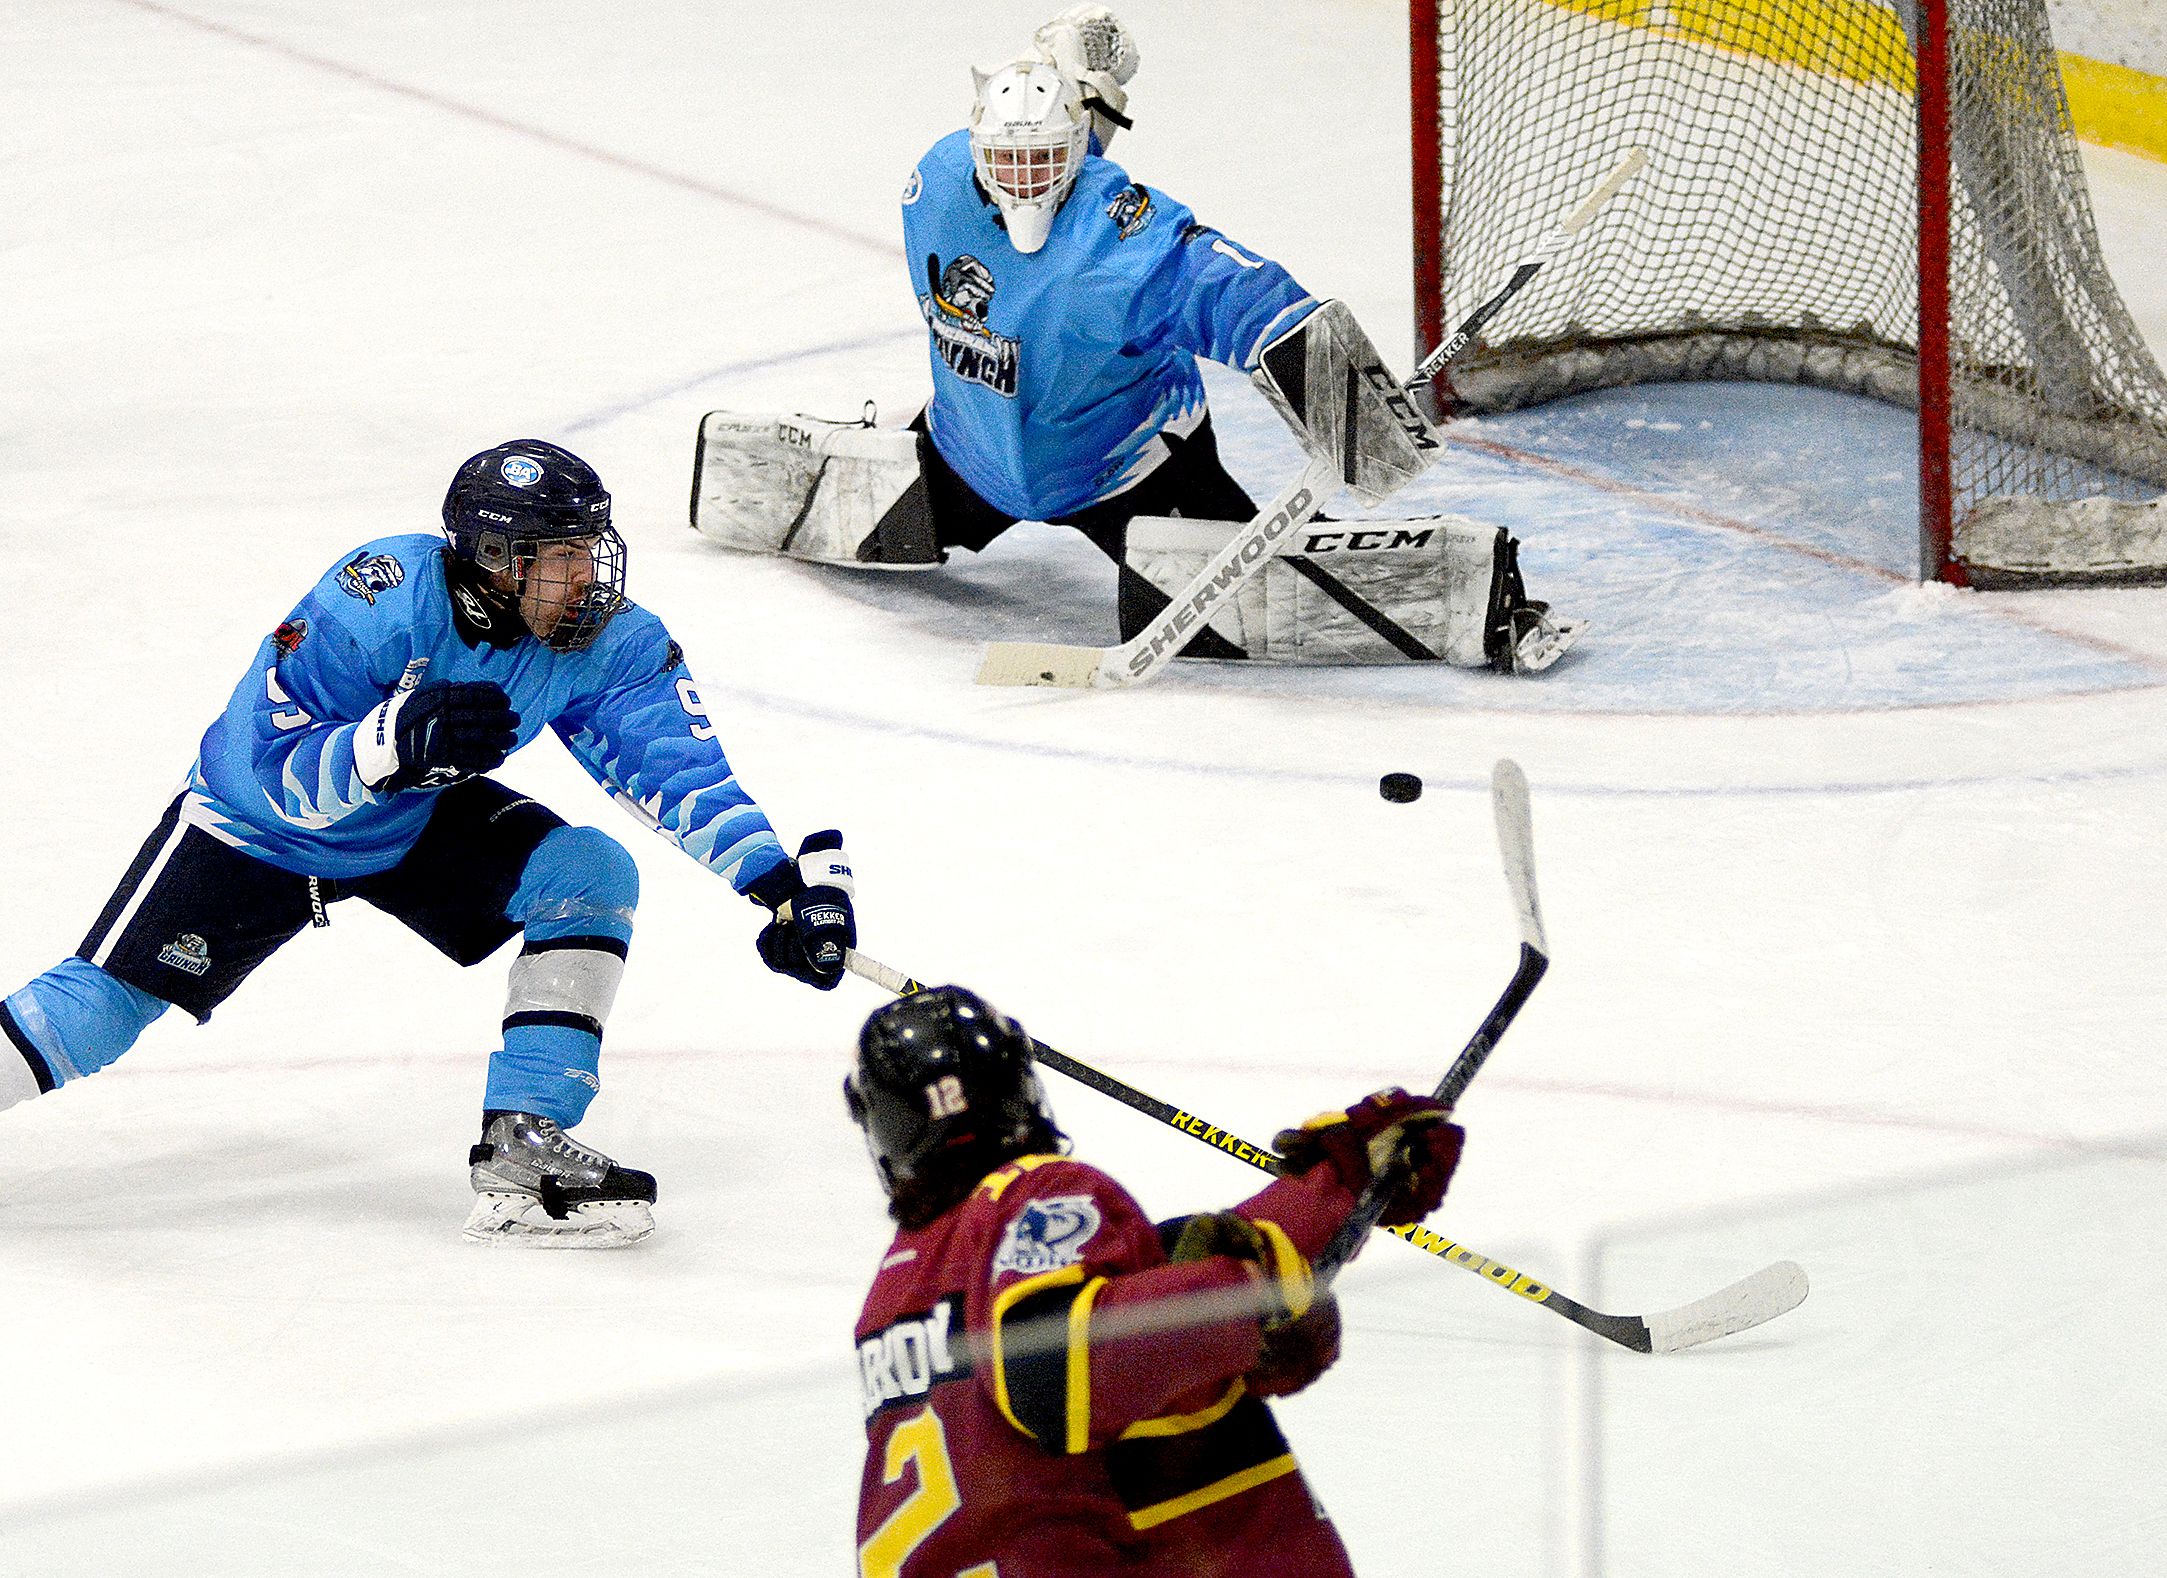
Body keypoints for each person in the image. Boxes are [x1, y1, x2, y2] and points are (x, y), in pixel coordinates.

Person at [0, 440, 858, 1248]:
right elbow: (263, 768)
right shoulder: (376, 601)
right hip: (256, 831)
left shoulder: (603, 639)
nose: (587, 578)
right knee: (97, 1014)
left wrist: (778, 882)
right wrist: (385, 744)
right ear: (495, 558)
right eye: (560, 556)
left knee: (586, 873)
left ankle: (524, 1144)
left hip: (410, 818)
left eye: (590, 551)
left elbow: (677, 767)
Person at [846, 985, 1466, 1576]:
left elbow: (1137, 1307)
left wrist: (1336, 1188)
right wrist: (1249, 1300)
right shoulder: (1035, 1190)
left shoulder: (900, 1289)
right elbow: (1050, 1368)